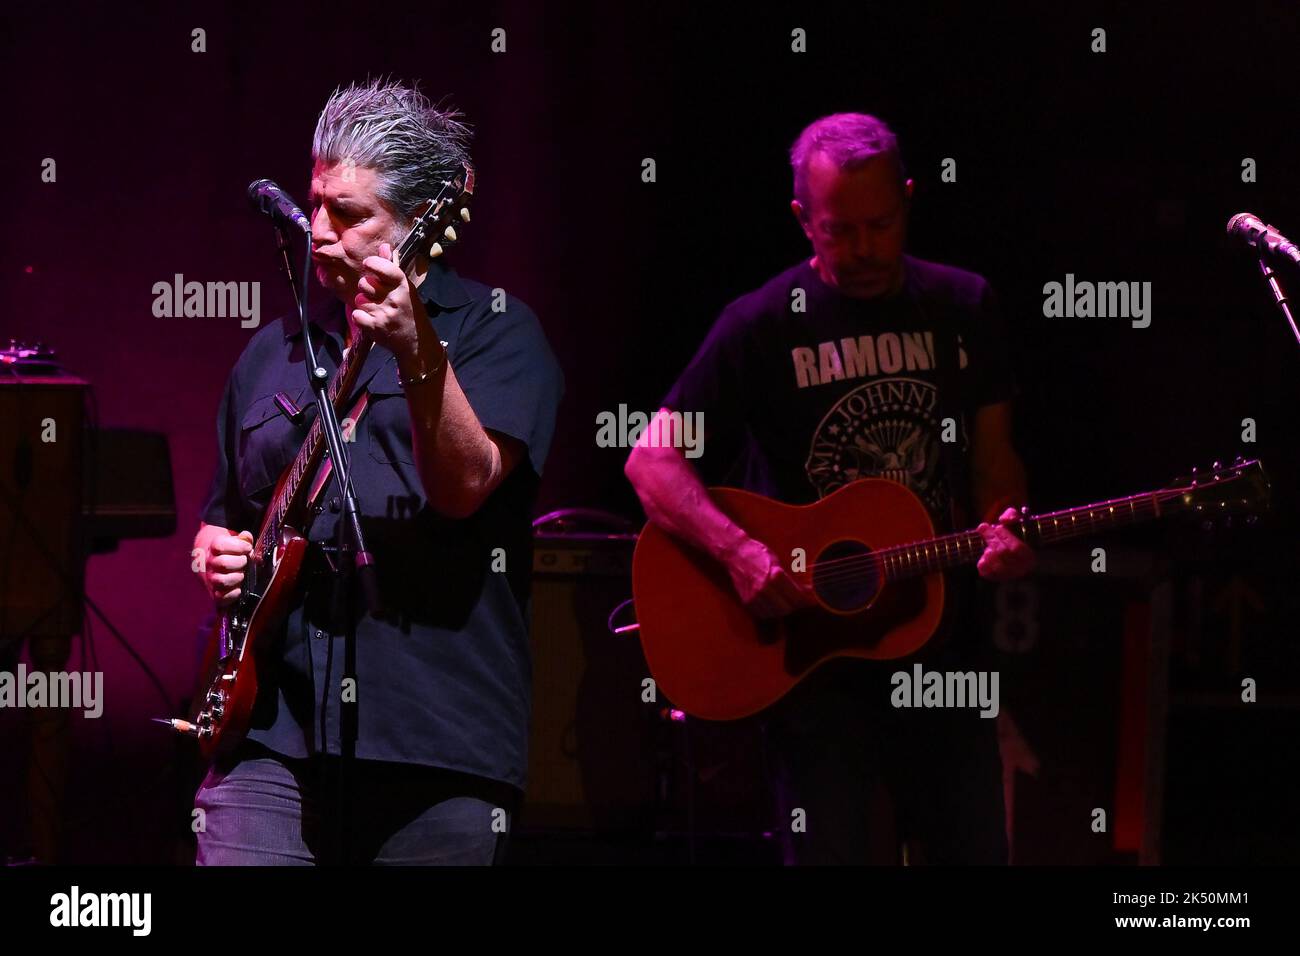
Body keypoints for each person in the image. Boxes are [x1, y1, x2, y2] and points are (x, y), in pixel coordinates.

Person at [624, 113, 1034, 864]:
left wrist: (1004, 525)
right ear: (801, 220)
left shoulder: (964, 307)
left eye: (882, 224)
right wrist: (741, 552)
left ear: (909, 200)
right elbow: (650, 461)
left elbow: (993, 461)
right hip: (814, 661)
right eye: (839, 230)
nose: (866, 249)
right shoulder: (760, 325)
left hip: (942, 646)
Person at [191, 80, 563, 865]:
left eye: (350, 214)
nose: (318, 231)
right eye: (316, 203)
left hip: (433, 739)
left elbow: (466, 488)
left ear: (420, 225)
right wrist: (215, 551)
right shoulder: (272, 351)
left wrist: (415, 347)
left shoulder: (502, 333)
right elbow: (222, 513)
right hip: (268, 730)